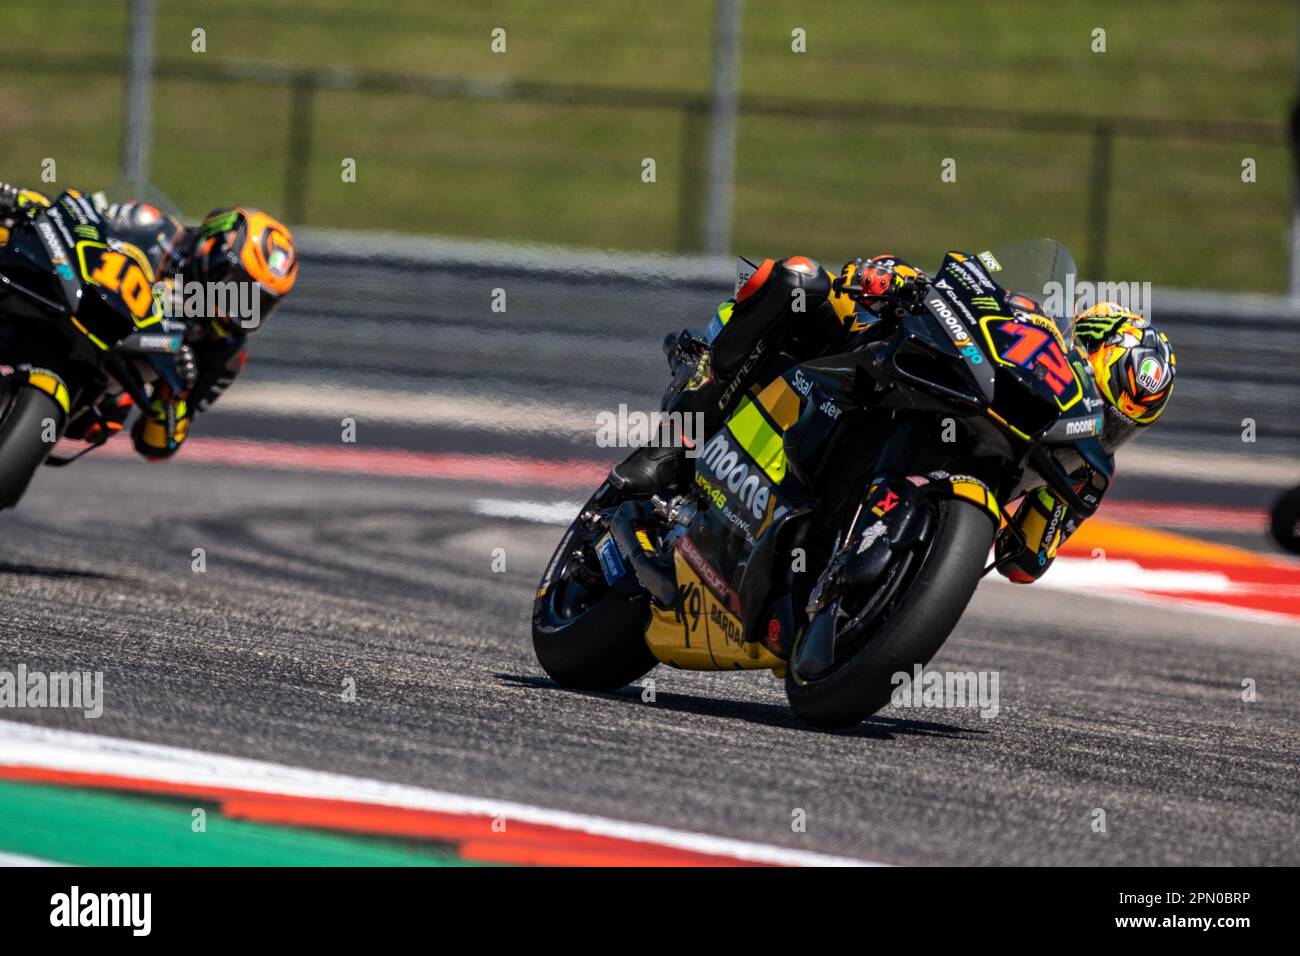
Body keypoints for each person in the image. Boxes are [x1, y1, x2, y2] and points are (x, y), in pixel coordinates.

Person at [609, 253, 1176, 583]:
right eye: (1105, 408)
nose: (1103, 430)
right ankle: (674, 443)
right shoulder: (1029, 322)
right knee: (799, 279)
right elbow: (957, 292)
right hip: (884, 378)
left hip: (942, 473)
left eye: (1122, 428)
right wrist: (891, 277)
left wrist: (1036, 525)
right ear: (1082, 353)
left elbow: (1024, 565)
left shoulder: (1081, 469)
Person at [0, 182, 298, 458]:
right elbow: (84, 219)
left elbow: (159, 444)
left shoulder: (225, 352)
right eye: (238, 287)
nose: (241, 306)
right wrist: (34, 206)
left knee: (108, 416)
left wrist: (173, 395)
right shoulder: (154, 230)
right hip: (69, 302)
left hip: (96, 385)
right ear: (213, 252)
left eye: (260, 302)